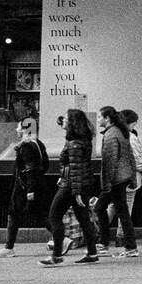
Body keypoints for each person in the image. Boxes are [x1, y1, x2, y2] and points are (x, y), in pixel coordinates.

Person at [40, 109, 100, 266]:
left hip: (71, 186)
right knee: (83, 218)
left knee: (54, 216)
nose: (62, 121)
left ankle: (57, 255)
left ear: (72, 123)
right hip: (78, 184)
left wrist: (77, 192)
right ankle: (92, 253)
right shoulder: (81, 140)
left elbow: (77, 167)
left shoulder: (74, 144)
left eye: (65, 119)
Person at [0, 119, 49, 258]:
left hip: (23, 187)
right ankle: (62, 238)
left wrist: (29, 189)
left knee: (13, 214)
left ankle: (8, 247)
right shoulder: (38, 143)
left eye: (18, 127)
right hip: (35, 184)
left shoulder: (26, 146)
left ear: (25, 129)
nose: (16, 130)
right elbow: (45, 165)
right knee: (39, 214)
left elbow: (29, 168)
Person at [94, 106, 139, 258]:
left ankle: (106, 243)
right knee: (120, 211)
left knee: (102, 208)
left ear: (107, 119)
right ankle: (124, 246)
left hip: (115, 179)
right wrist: (132, 178)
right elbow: (130, 157)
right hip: (122, 177)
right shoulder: (120, 132)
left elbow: (109, 161)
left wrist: (106, 184)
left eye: (99, 117)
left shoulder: (111, 135)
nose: (98, 120)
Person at [119, 109, 142, 222]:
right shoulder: (130, 138)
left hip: (115, 177)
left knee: (113, 205)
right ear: (131, 122)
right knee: (126, 208)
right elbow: (137, 161)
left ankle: (99, 232)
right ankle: (121, 236)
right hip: (129, 177)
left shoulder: (112, 134)